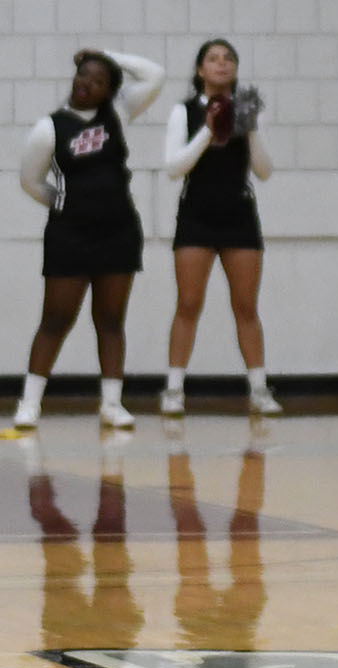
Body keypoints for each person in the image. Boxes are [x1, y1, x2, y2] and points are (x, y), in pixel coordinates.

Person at [14, 48, 165, 430]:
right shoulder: (49, 127)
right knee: (56, 319)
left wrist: (105, 54)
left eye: (98, 81)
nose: (87, 84)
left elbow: (155, 75)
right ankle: (30, 404)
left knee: (111, 320)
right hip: (70, 235)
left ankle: (111, 405)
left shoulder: (119, 113)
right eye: (84, 75)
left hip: (119, 232)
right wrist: (64, 204)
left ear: (109, 91)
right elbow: (30, 181)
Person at [160, 39, 280, 418]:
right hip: (196, 215)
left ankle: (258, 389)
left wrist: (251, 127)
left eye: (228, 58)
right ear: (200, 70)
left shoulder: (248, 110)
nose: (221, 64)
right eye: (213, 59)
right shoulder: (183, 111)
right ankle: (174, 390)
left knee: (246, 306)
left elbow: (264, 170)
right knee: (188, 304)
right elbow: (174, 167)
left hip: (239, 215)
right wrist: (208, 130)